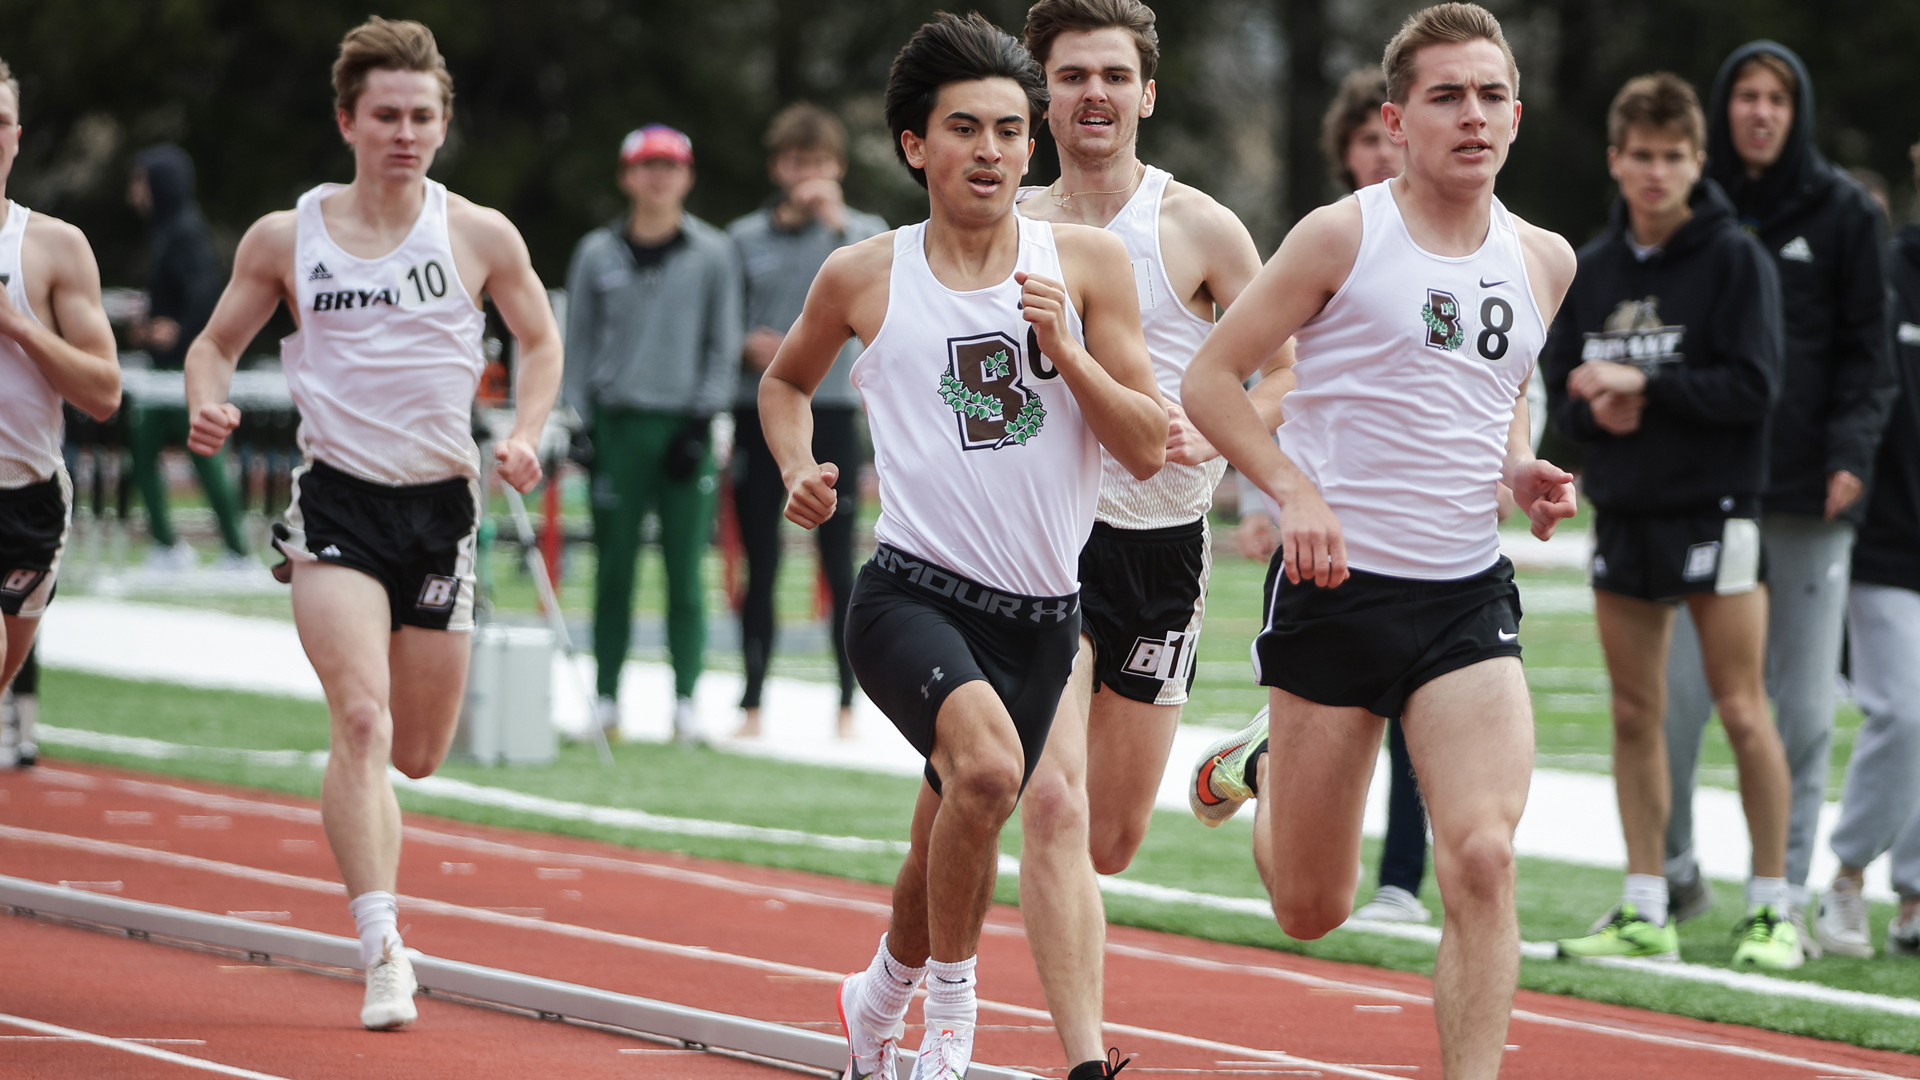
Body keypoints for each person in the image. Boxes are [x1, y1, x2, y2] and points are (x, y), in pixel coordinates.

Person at [759, 14, 1164, 1079]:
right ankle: (950, 1030)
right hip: (911, 596)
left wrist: (1066, 352)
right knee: (986, 776)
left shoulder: (1084, 266)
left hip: (1042, 618)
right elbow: (784, 382)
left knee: (950, 826)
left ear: (1031, 146)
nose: (990, 150)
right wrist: (799, 465)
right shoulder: (865, 274)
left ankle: (876, 996)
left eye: (1008, 131)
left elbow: (1146, 440)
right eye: (963, 128)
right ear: (913, 145)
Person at [1183, 6, 1577, 1077]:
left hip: (1463, 600)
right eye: (1448, 96)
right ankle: (1262, 761)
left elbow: (1495, 390)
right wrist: (1289, 488)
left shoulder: (1544, 259)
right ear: (1399, 121)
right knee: (1313, 908)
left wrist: (1519, 468)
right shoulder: (1341, 235)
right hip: (1335, 587)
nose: (1474, 115)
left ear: (1517, 114)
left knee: (1484, 860)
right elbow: (1211, 380)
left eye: (1492, 95)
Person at [184, 18, 562, 1029]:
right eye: (386, 115)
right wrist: (207, 400)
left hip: (440, 511)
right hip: (336, 503)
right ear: (347, 120)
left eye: (423, 117)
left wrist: (526, 431)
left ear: (443, 126)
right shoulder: (285, 235)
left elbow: (538, 336)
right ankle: (382, 945)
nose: (405, 133)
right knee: (360, 718)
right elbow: (213, 345)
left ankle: (382, 902)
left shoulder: (479, 233)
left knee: (420, 752)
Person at [1009, 3, 1286, 1074]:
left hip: (1163, 548)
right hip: (1041, 545)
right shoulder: (1010, 218)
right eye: (1072, 74)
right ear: (1044, 90)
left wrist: (1212, 435)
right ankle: (1087, 1059)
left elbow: (1288, 365)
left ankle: (1245, 761)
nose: (1093, 95)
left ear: (1147, 92)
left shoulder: (1200, 229)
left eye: (1113, 76)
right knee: (1054, 803)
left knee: (1111, 838)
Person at [1543, 74, 1798, 969]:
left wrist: (1644, 385)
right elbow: (1563, 405)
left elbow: (1758, 387)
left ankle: (1774, 908)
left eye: (1674, 157)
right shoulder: (1592, 269)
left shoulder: (1734, 259)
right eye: (1641, 156)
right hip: (1625, 515)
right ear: (1616, 161)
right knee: (1632, 711)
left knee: (1740, 706)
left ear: (1697, 164)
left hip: (1715, 508)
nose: (1656, 173)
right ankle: (1646, 902)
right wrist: (1593, 414)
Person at [1661, 42, 1895, 950]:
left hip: (1809, 495)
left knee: (1798, 709)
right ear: (1724, 108)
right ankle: (1672, 874)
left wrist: (1851, 454)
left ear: (1796, 113)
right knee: (1673, 701)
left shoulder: (1839, 210)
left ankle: (1784, 894)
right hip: (1701, 496)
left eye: (1778, 99)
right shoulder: (1691, 205)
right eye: (1747, 97)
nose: (1761, 112)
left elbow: (1869, 356)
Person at [564, 123, 740, 745]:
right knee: (612, 570)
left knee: (685, 571)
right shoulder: (596, 252)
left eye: (670, 165)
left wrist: (702, 419)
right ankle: (607, 697)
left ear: (687, 176)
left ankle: (686, 699)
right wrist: (577, 421)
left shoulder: (713, 253)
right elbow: (577, 344)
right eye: (647, 165)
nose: (658, 176)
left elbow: (723, 342)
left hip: (683, 427)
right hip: (615, 424)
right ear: (627, 175)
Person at [728, 103, 886, 740]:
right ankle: (751, 700)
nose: (807, 175)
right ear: (777, 166)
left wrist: (838, 220)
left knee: (836, 559)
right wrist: (746, 346)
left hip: (835, 408)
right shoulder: (743, 239)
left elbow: (889, 287)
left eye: (819, 163)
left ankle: (848, 702)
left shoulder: (862, 231)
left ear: (838, 168)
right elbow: (719, 326)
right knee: (760, 559)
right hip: (759, 404)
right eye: (797, 163)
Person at [1812, 141, 1920, 959]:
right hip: (1886, 538)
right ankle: (1846, 875)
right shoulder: (1885, 273)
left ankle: (1914, 894)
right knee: (1905, 712)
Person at [0, 55, 121, 768]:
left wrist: (18, 326)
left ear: (18, 137)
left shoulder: (52, 247)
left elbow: (103, 392)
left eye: (1, 122)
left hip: (26, 502)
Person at [127, 144, 250, 571]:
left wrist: (174, 329)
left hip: (183, 369)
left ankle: (238, 551)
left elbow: (205, 298)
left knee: (206, 451)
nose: (134, 192)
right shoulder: (165, 231)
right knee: (142, 453)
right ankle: (166, 546)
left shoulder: (186, 231)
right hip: (160, 370)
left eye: (141, 181)